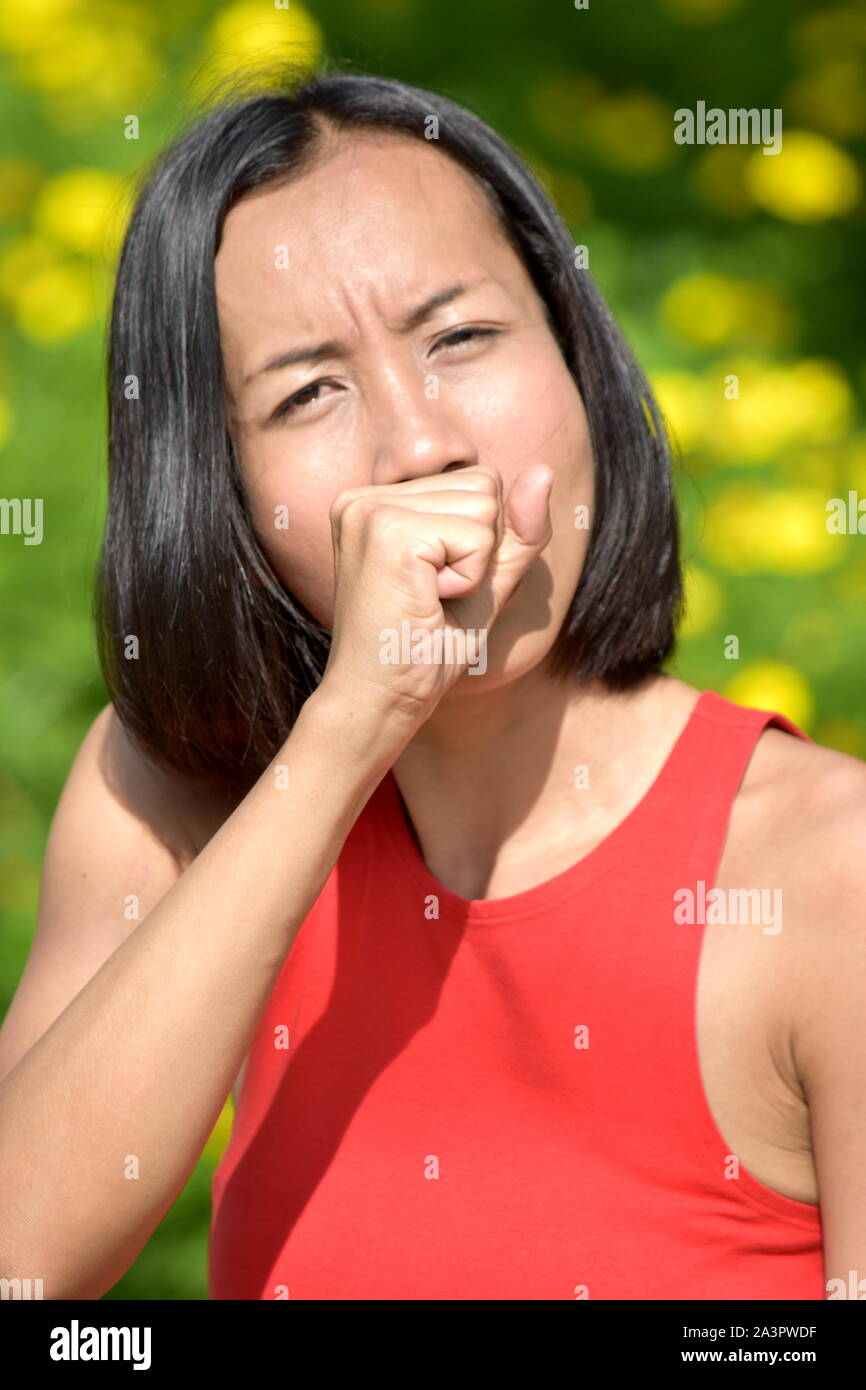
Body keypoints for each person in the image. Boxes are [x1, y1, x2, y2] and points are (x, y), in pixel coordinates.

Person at [1, 68, 864, 1302]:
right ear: (220, 490)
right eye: (307, 392)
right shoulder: (177, 797)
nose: (419, 446)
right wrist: (351, 728)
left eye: (460, 337)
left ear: (576, 361)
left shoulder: (831, 871)